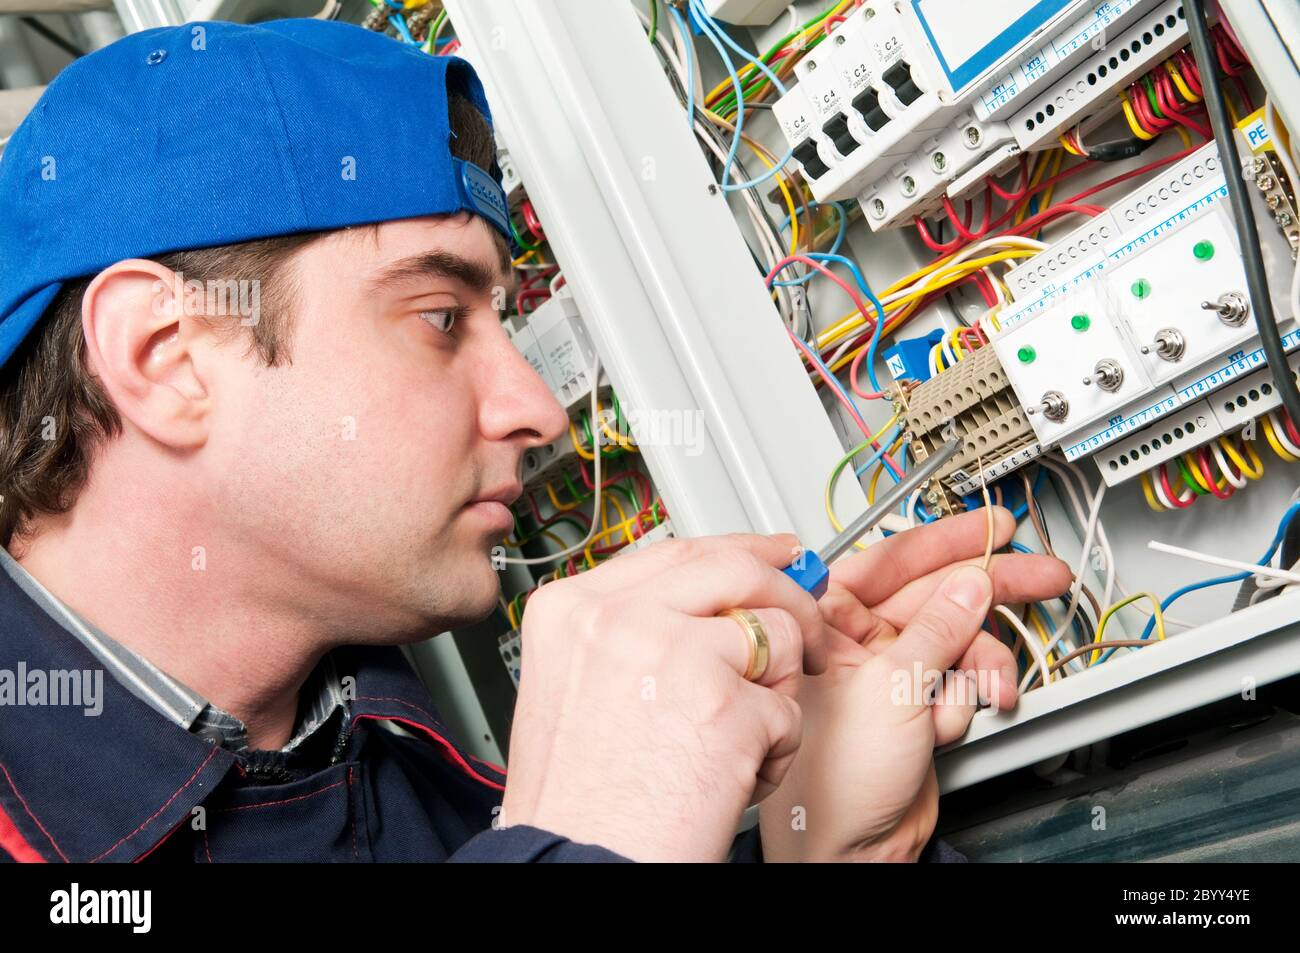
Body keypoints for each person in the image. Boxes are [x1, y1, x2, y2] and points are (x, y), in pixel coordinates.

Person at [0, 18, 1069, 863]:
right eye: (439, 317)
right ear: (166, 357)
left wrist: (823, 844)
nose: (538, 408)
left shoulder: (418, 782)